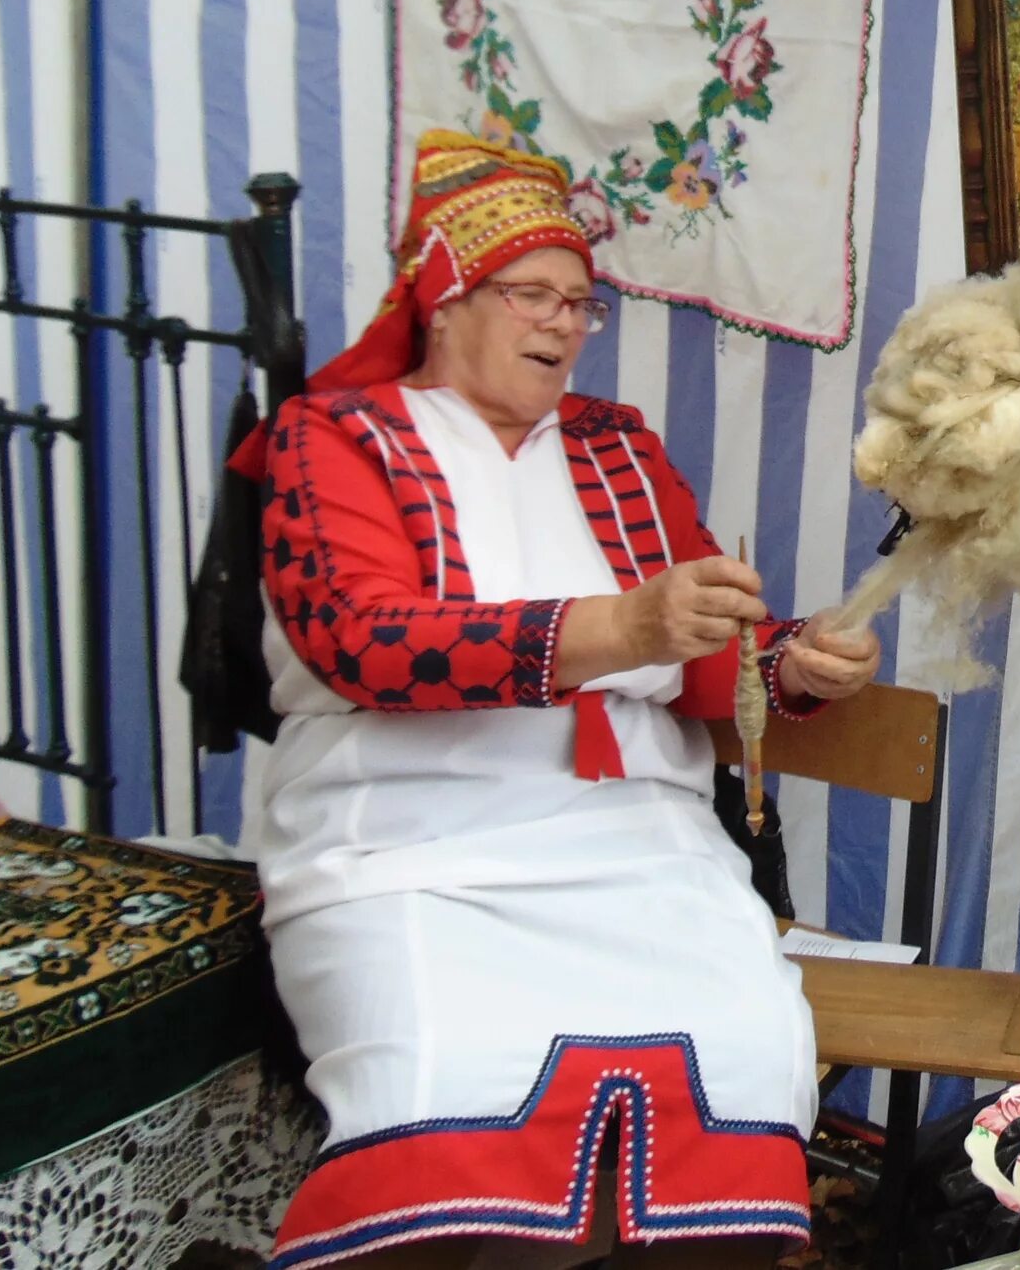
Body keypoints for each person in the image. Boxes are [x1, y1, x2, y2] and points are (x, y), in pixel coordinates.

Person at [238, 133, 883, 1270]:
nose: (562, 324)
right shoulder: (332, 436)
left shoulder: (615, 447)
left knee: (746, 1051)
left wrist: (786, 666)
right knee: (433, 1074)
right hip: (407, 849)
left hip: (639, 852)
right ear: (443, 300)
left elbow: (697, 651)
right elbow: (363, 643)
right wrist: (621, 628)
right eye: (530, 294)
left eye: (580, 304)